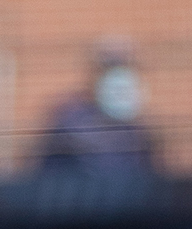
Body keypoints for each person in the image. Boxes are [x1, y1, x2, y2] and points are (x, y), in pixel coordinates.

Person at [36, 40, 158, 175]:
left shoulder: (138, 129)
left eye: (126, 67)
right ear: (95, 74)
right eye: (110, 68)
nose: (119, 78)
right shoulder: (69, 119)